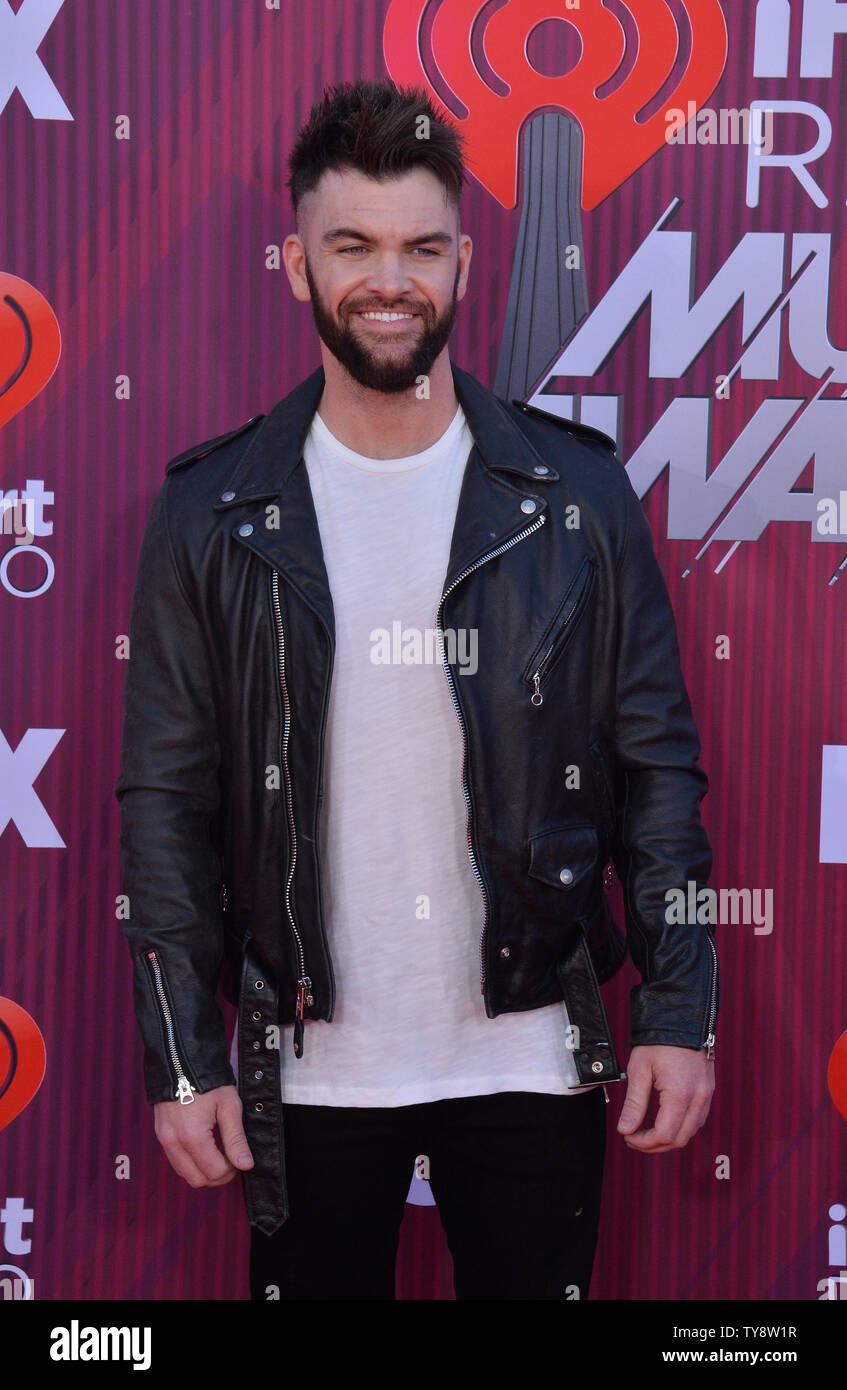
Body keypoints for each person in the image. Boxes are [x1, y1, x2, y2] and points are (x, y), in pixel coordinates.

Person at [114, 78, 718, 1302]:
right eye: (353, 246)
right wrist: (183, 1057)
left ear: (462, 261)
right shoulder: (209, 513)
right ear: (294, 263)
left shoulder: (576, 497)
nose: (389, 279)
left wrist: (678, 1009)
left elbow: (656, 770)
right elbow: (165, 803)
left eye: (419, 247)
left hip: (532, 1054)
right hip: (310, 1069)